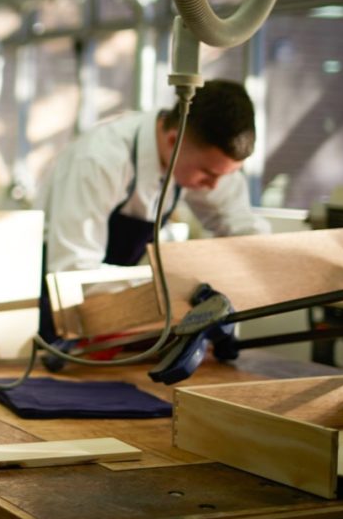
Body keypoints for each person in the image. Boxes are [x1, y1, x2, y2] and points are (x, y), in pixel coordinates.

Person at [34, 79, 270, 343]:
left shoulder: (202, 158)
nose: (214, 185)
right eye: (208, 173)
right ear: (173, 140)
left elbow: (241, 227)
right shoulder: (99, 160)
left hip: (108, 309)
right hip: (52, 306)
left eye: (225, 175)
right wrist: (175, 287)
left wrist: (266, 258)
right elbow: (75, 274)